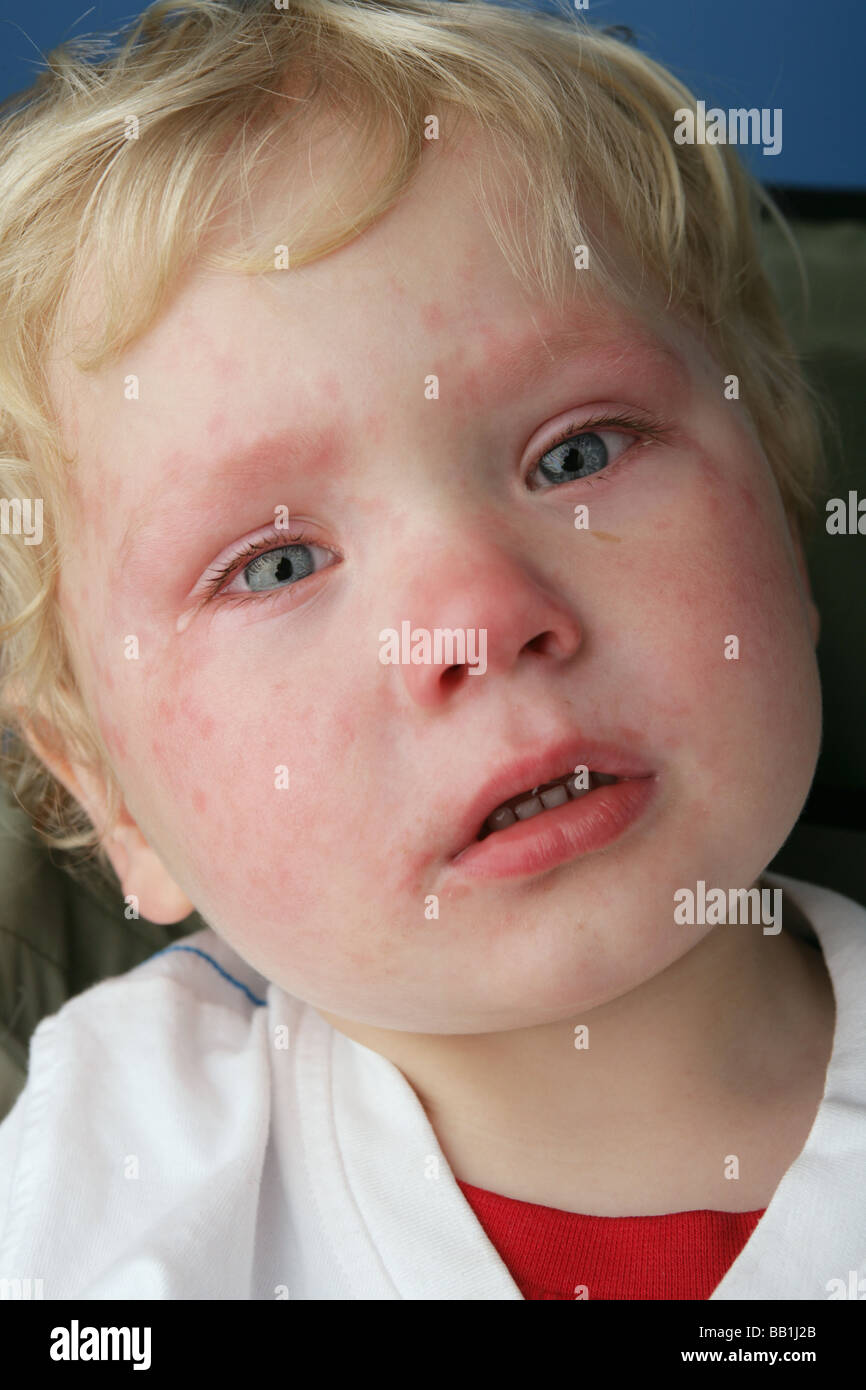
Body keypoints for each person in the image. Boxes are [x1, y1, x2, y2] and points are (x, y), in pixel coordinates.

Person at [0, 0, 861, 1300]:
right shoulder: (106, 1166)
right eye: (276, 564)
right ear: (113, 798)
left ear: (783, 523)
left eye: (576, 452)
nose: (475, 615)